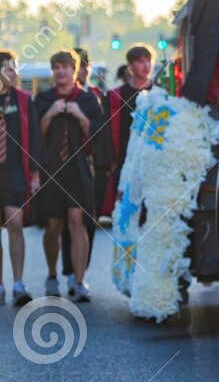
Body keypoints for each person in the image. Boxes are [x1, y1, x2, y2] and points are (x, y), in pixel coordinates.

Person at [31, 51, 103, 303]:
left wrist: (79, 115)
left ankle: (79, 281)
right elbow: (34, 136)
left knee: (78, 221)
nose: (60, 71)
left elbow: (98, 137)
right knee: (53, 225)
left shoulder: (86, 100)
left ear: (74, 70)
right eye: (56, 67)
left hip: (79, 168)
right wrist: (50, 113)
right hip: (51, 169)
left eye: (65, 67)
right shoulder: (43, 99)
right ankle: (52, 276)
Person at [99, 44, 154, 218]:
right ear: (130, 66)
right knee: (125, 213)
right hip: (124, 161)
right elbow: (106, 131)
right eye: (140, 62)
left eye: (148, 61)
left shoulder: (159, 93)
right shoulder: (116, 95)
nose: (145, 66)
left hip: (152, 160)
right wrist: (110, 162)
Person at [0, 50, 34, 306]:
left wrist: (35, 173)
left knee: (15, 224)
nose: (14, 73)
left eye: (15, 69)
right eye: (9, 69)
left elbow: (33, 138)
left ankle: (18, 284)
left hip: (14, 172)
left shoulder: (23, 100)